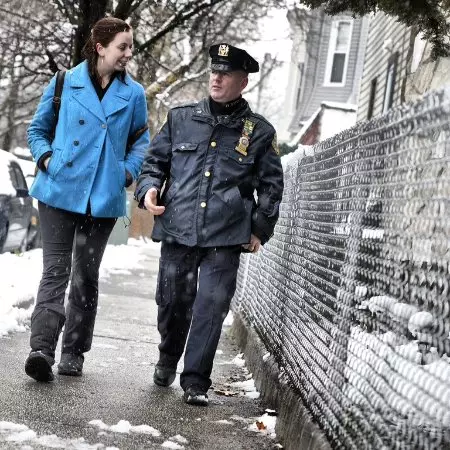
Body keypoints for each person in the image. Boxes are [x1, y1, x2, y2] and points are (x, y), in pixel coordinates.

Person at [134, 43, 284, 406]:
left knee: (211, 305)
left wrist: (259, 228)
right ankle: (168, 356)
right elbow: (154, 163)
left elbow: (271, 184)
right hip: (178, 227)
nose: (216, 78)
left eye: (225, 73)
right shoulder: (181, 118)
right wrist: (149, 189)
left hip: (225, 234)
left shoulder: (258, 132)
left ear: (243, 82)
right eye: (213, 71)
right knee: (172, 302)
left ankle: (196, 380)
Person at [25, 17, 150, 382]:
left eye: (130, 46)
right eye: (122, 46)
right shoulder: (65, 82)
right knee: (55, 270)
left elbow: (141, 140)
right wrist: (47, 158)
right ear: (100, 47)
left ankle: (74, 352)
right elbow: (37, 130)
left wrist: (126, 172)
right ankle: (41, 349)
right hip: (58, 191)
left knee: (85, 274)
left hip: (103, 195)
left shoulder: (134, 94)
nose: (129, 53)